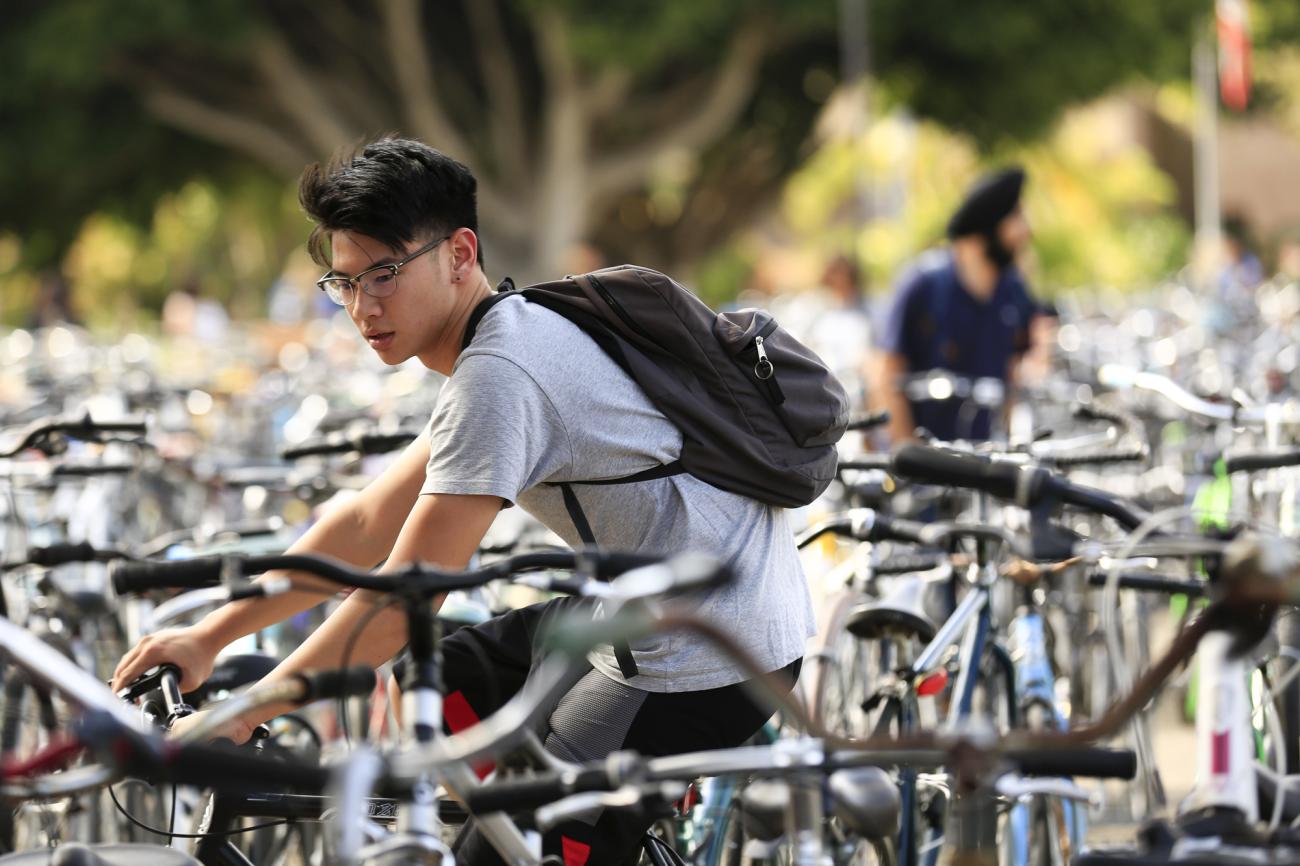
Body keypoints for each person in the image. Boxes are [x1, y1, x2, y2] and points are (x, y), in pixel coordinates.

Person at [111, 137, 811, 865]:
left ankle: (555, 837)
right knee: (440, 679)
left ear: (460, 253)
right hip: (644, 611)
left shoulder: (504, 374)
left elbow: (403, 601)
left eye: (383, 274)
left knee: (508, 846)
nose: (362, 306)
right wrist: (208, 638)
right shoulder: (506, 337)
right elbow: (362, 524)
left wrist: (252, 706)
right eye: (344, 283)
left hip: (706, 651)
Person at [871, 166, 1038, 443]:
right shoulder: (923, 285)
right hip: (928, 463)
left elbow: (1012, 371)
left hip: (982, 458)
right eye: (1015, 217)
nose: (1026, 230)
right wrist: (908, 454)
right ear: (987, 228)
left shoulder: (1013, 290)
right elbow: (887, 374)